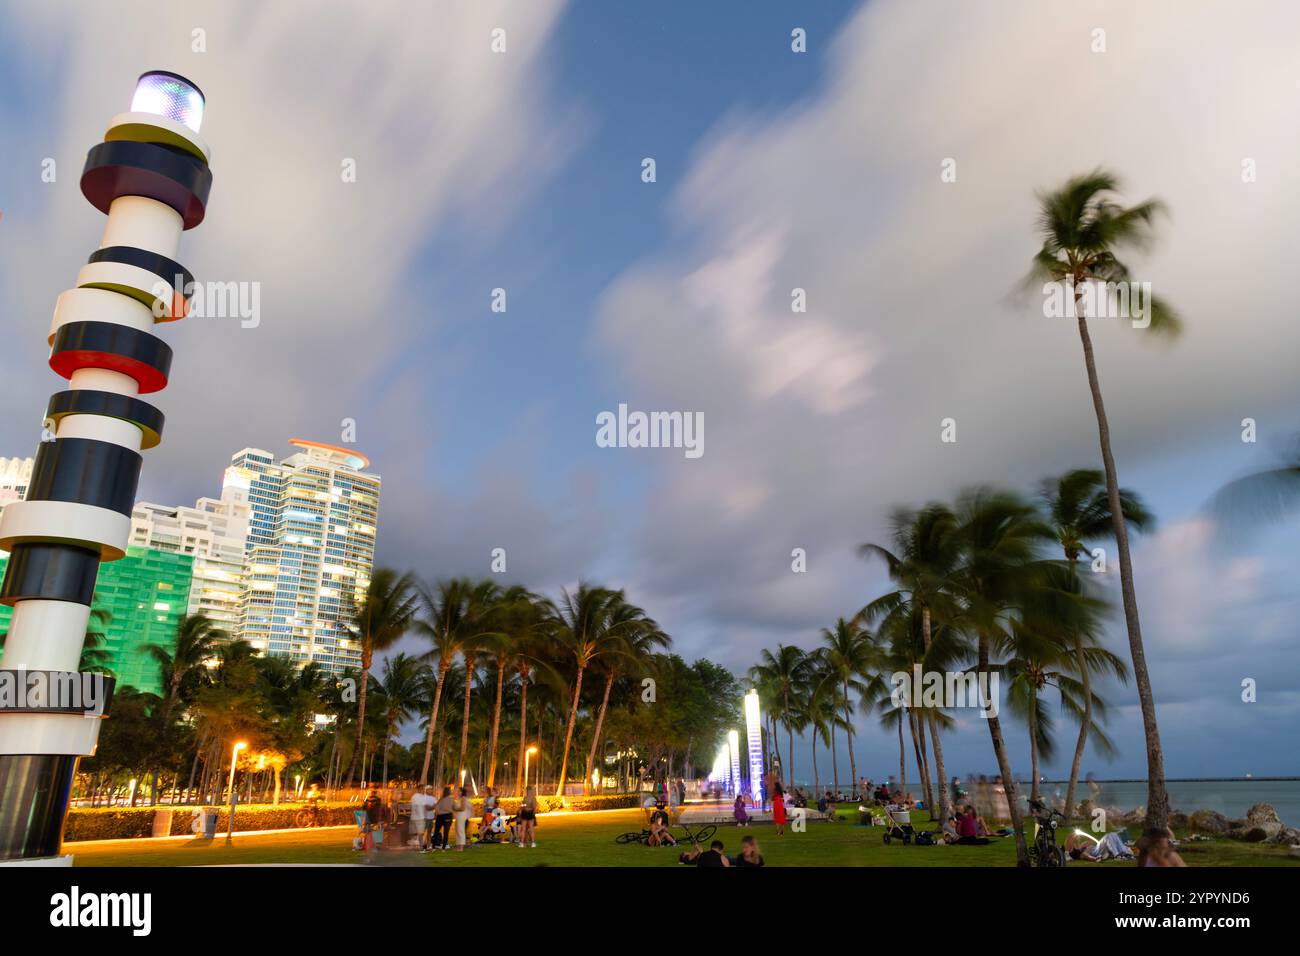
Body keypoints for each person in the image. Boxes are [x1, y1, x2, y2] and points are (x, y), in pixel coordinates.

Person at [1065, 830, 1135, 862]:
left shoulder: (1081, 846)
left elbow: (1091, 842)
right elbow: (1087, 856)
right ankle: (1117, 855)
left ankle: (1125, 854)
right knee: (1107, 836)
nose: (1076, 838)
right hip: (1095, 852)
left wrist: (1086, 843)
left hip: (1096, 849)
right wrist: (1095, 859)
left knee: (1112, 834)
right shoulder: (1074, 852)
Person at [410, 785, 436, 851]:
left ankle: (427, 846)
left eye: (431, 789)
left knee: (428, 832)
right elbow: (426, 807)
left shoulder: (418, 797)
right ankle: (421, 847)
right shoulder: (421, 797)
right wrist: (434, 806)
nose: (423, 791)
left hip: (426, 817)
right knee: (421, 833)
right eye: (424, 789)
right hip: (423, 817)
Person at [432, 786, 454, 851]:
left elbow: (436, 807)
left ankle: (433, 846)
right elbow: (454, 807)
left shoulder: (440, 799)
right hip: (448, 816)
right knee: (446, 832)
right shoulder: (451, 799)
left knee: (436, 831)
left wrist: (437, 813)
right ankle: (444, 847)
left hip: (440, 816)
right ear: (449, 792)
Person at [453, 786, 472, 851]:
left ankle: (461, 847)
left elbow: (462, 808)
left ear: (461, 792)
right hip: (458, 815)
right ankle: (458, 846)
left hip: (461, 815)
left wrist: (454, 808)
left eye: (458, 791)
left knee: (460, 830)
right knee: (457, 830)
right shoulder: (459, 799)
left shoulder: (463, 798)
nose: (456, 792)